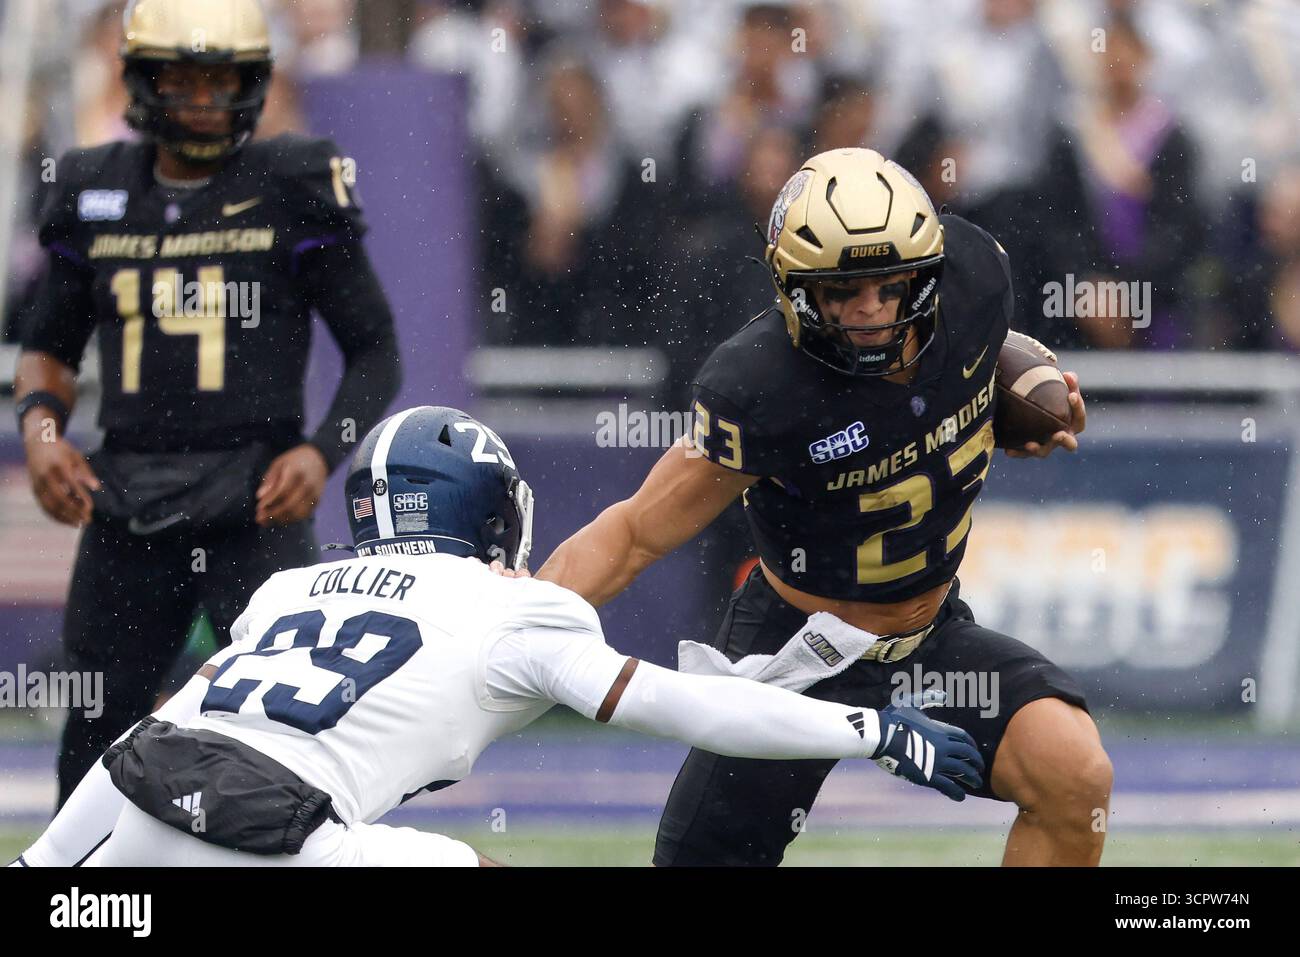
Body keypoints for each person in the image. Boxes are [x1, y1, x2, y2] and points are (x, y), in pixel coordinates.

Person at [10, 406, 983, 867]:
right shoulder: (515, 608)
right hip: (281, 840)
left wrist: (49, 868)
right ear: (487, 514)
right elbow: (693, 705)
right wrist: (871, 732)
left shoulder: (290, 587)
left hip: (144, 813)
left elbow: (160, 735)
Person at [538, 148, 1113, 866]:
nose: (870, 310)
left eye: (890, 284)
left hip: (928, 639)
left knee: (1074, 775)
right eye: (842, 290)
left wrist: (1013, 407)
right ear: (794, 290)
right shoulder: (763, 384)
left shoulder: (974, 280)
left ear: (927, 275)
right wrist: (514, 615)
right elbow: (633, 534)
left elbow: (981, 364)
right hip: (797, 655)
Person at [13, 0, 400, 806]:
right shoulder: (93, 189)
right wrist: (43, 434)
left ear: (251, 84)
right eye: (181, 79)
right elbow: (47, 351)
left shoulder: (291, 183)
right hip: (127, 498)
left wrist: (321, 450)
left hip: (255, 498)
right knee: (97, 732)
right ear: (141, 80)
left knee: (292, 736)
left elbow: (375, 350)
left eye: (220, 80)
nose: (202, 100)